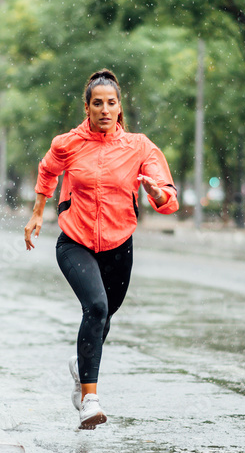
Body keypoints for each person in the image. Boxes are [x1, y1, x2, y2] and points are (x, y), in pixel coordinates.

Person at [24, 69, 179, 429]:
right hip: (74, 241)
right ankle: (89, 400)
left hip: (118, 246)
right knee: (94, 307)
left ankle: (81, 365)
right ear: (87, 107)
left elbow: (168, 196)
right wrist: (36, 213)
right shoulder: (69, 143)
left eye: (111, 103)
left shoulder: (139, 146)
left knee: (104, 316)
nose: (105, 110)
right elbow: (47, 171)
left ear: (120, 107)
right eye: (98, 103)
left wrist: (158, 194)